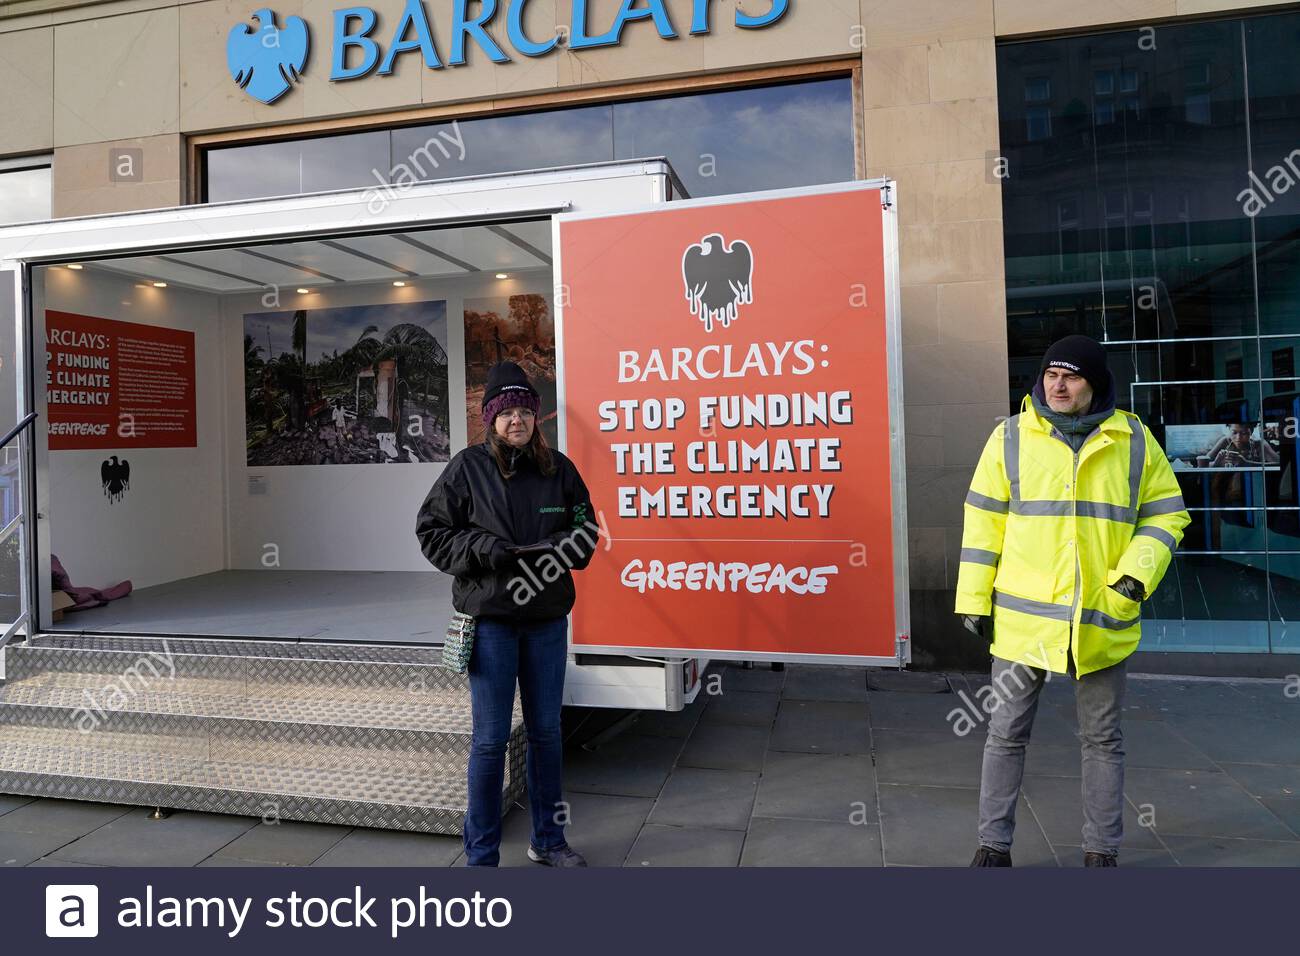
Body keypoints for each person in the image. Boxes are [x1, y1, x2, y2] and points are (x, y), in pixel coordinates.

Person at [956, 334, 1190, 867]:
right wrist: (972, 598)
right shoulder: (1010, 438)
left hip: (1101, 618)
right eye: (1051, 375)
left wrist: (1134, 577)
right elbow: (983, 519)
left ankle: (1100, 852)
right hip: (1022, 623)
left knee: (1103, 740)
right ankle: (993, 846)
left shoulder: (1133, 438)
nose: (1057, 385)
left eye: (1072, 376)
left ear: (1096, 382)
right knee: (1005, 735)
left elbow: (1167, 513)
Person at [415, 361, 599, 867]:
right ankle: (481, 857)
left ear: (535, 416)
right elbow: (431, 533)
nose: (516, 419)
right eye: (506, 411)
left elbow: (586, 533)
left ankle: (549, 841)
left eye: (524, 410)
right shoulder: (466, 468)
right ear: (490, 417)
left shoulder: (558, 469)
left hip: (545, 619)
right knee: (491, 740)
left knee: (546, 733)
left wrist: (557, 546)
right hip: (491, 621)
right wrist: (482, 547)